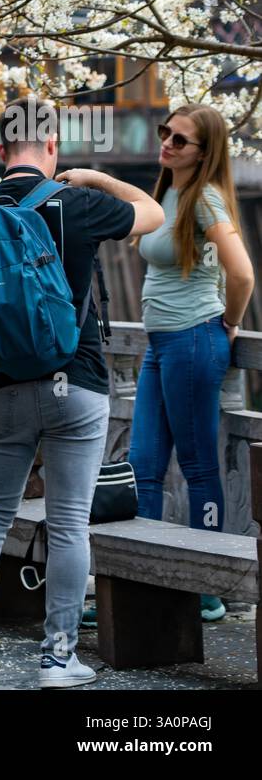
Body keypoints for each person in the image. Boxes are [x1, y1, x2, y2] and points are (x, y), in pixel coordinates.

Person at [0, 98, 163, 689]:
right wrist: (94, 178)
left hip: (2, 385)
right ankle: (58, 656)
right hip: (75, 380)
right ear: (52, 146)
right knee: (68, 525)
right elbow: (153, 213)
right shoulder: (77, 203)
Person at [129, 103, 254, 623]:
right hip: (160, 346)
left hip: (194, 340)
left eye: (180, 140)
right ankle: (139, 578)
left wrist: (227, 323)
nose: (168, 144)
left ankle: (206, 588)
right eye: (166, 133)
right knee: (143, 465)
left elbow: (242, 272)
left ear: (205, 153)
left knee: (199, 467)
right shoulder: (170, 192)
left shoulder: (204, 199)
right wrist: (92, 179)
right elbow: (134, 207)